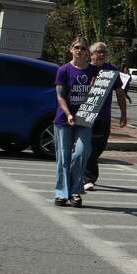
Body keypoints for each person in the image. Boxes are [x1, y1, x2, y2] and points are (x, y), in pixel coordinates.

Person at [53, 37, 97, 207]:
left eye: (83, 48)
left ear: (88, 52)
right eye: (77, 47)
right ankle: (62, 193)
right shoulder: (64, 70)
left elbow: (99, 92)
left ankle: (74, 190)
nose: (80, 50)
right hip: (64, 119)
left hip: (84, 120)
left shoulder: (93, 71)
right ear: (71, 49)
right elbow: (60, 96)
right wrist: (69, 114)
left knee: (80, 153)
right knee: (63, 158)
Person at [83, 41, 128, 192]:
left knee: (98, 147)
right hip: (86, 113)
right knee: (85, 147)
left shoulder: (111, 70)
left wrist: (123, 114)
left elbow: (120, 92)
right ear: (91, 54)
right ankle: (88, 178)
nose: (101, 55)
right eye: (98, 52)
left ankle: (86, 174)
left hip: (103, 116)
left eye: (104, 52)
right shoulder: (85, 69)